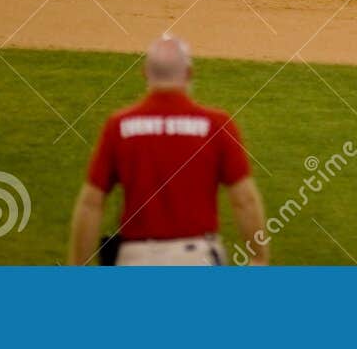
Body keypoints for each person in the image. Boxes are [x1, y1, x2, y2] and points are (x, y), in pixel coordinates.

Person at [68, 35, 267, 267]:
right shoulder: (216, 125)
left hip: (136, 259)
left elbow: (91, 204)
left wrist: (77, 267)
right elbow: (244, 200)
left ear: (145, 73)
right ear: (189, 73)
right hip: (198, 258)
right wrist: (258, 257)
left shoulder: (119, 126)